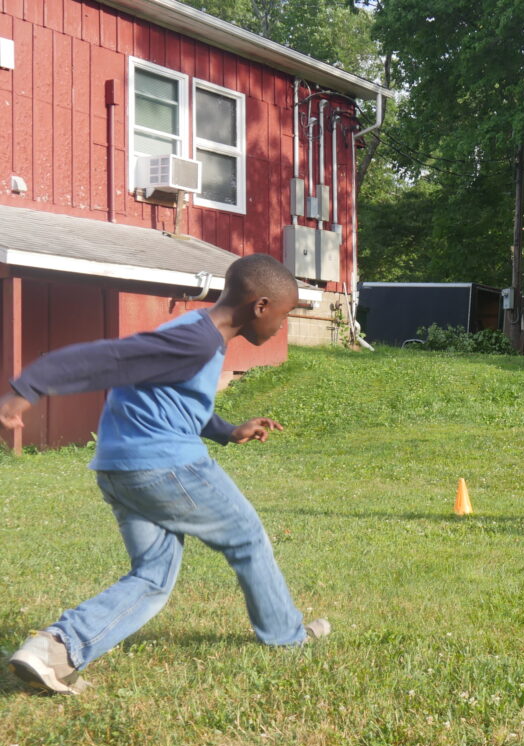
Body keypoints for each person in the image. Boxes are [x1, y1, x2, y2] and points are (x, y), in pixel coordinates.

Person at [0, 254, 329, 696]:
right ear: (261, 305)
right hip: (165, 466)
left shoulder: (194, 337)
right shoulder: (196, 340)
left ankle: (54, 650)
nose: (282, 327)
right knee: (247, 537)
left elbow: (175, 400)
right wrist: (28, 388)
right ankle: (286, 637)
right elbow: (109, 358)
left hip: (119, 469)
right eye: (285, 316)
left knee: (152, 577)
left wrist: (228, 431)